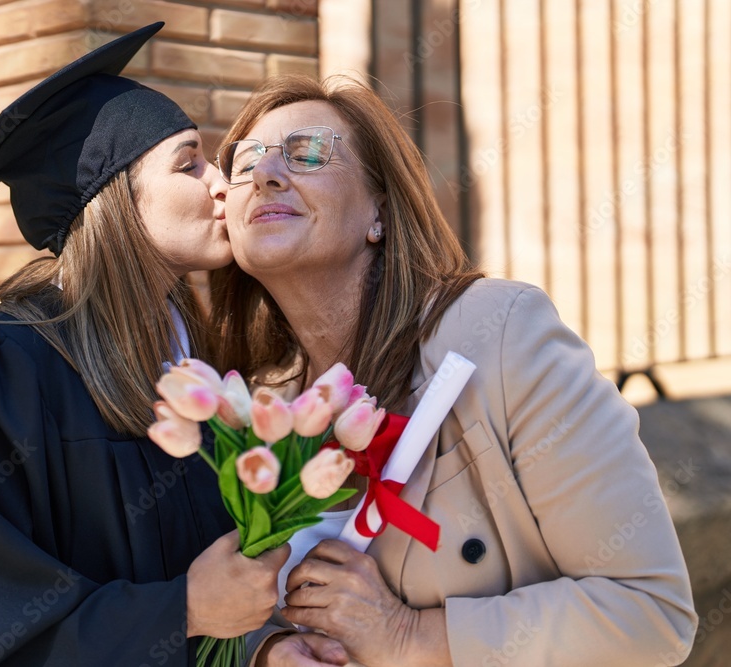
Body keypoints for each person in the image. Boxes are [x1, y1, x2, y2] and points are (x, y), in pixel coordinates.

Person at [208, 74, 698, 666]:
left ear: (379, 212)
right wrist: (274, 651)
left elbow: (650, 614)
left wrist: (405, 636)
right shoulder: (257, 405)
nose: (265, 173)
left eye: (307, 151)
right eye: (246, 160)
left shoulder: (496, 335)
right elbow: (236, 613)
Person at [0, 23, 288, 666]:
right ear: (113, 204)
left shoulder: (195, 362)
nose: (222, 183)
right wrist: (180, 609)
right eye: (189, 163)